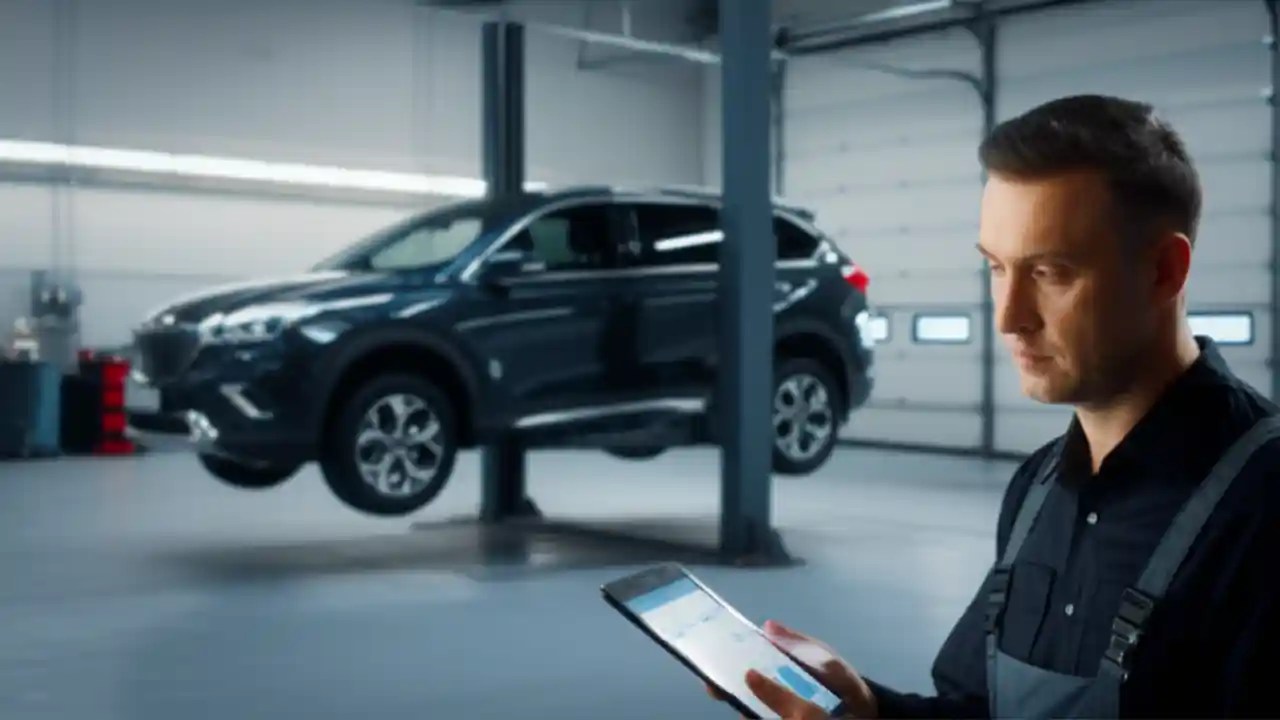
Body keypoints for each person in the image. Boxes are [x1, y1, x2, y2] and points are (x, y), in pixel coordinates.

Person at [708, 94, 1280, 718]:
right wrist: (867, 708)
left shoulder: (1263, 504)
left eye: (1051, 272)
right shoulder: (1036, 491)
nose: (1009, 318)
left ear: (1165, 272)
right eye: (997, 268)